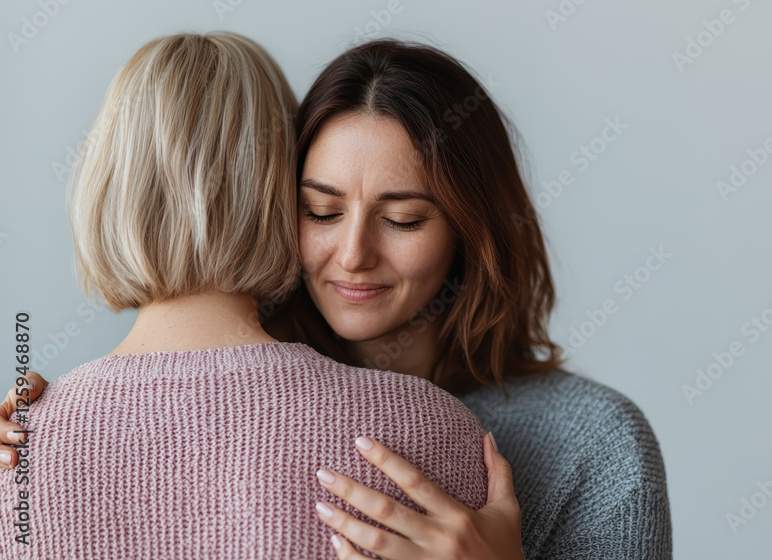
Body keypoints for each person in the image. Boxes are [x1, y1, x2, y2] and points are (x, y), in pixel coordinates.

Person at [2, 38, 671, 559]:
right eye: (320, 211)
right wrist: (32, 434)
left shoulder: (592, 443)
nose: (353, 254)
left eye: (404, 219)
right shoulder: (218, 404)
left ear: (473, 230)